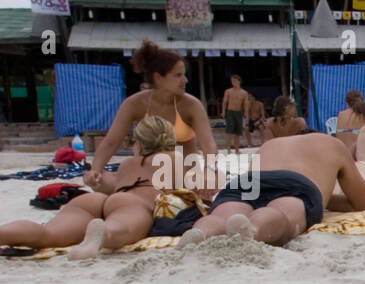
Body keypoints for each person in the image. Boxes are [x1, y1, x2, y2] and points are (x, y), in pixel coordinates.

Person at [0, 116, 204, 257]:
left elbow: (113, 187)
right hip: (136, 204)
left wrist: (96, 179)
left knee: (48, 234)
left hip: (97, 201)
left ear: (138, 145)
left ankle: (5, 232)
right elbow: (193, 192)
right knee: (119, 229)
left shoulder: (128, 164)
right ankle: (102, 235)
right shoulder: (174, 158)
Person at [181, 132, 365, 247]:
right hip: (296, 184)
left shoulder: (270, 145)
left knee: (226, 213)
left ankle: (202, 232)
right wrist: (327, 195)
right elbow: (364, 203)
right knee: (281, 213)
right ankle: (254, 229)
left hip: (247, 181)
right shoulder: (333, 144)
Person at [85, 39, 217, 192]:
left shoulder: (191, 105)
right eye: (178, 75)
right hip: (145, 177)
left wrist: (209, 169)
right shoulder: (134, 104)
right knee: (100, 181)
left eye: (184, 75)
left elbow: (209, 145)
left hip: (183, 178)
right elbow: (111, 142)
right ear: (158, 78)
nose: (185, 80)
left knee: (210, 183)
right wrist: (95, 170)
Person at [221, 73, 250, 151]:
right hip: (230, 112)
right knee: (229, 131)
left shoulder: (244, 93)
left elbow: (245, 104)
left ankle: (237, 149)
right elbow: (224, 102)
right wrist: (223, 111)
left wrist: (246, 114)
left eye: (234, 81)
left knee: (237, 131)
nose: (233, 82)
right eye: (232, 81)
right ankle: (228, 149)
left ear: (239, 81)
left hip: (238, 112)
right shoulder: (228, 91)